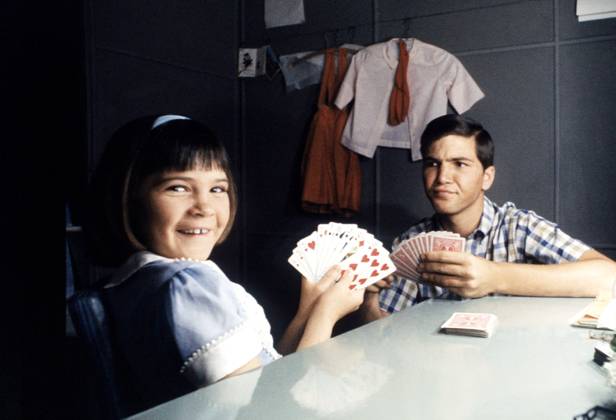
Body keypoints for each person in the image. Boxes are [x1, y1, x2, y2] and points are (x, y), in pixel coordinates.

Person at [84, 114, 365, 410]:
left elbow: (268, 377)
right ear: (129, 197)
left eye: (217, 189)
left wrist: (308, 311)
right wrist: (326, 315)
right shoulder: (191, 286)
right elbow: (270, 410)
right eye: (178, 187)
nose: (204, 207)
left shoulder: (137, 280)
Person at [364, 114, 616, 319]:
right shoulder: (411, 241)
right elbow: (383, 334)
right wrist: (368, 301)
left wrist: (494, 276)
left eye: (459, 164)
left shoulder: (519, 227)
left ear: (487, 177)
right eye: (433, 164)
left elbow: (610, 277)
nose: (442, 177)